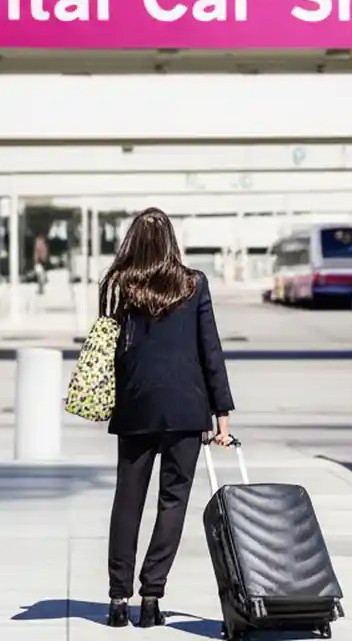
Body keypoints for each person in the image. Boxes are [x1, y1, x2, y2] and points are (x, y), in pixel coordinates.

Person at [98, 207, 235, 628]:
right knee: (172, 502)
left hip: (136, 405)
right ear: (171, 241)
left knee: (128, 500)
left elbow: (109, 346)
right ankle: (152, 598)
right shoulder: (194, 284)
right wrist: (222, 415)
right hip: (186, 408)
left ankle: (119, 601)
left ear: (133, 242)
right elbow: (209, 349)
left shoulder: (120, 285)